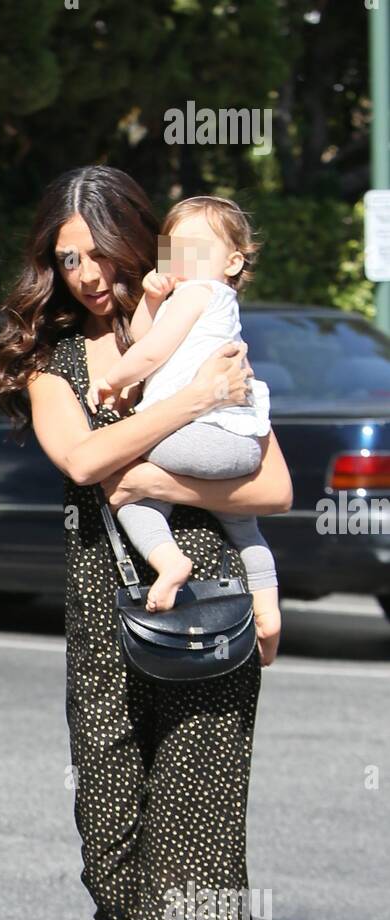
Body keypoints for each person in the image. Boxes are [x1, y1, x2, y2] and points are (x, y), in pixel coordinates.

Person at [0, 165, 338, 920]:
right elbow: (84, 464)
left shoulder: (193, 322)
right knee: (113, 855)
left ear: (137, 242)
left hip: (208, 607)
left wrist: (152, 456)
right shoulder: (52, 358)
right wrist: (181, 409)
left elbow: (266, 478)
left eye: (101, 253)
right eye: (68, 260)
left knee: (189, 843)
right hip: (103, 615)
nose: (89, 275)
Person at [86, 194, 278, 624]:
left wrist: (114, 379)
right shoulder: (202, 298)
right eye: (173, 248)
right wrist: (152, 301)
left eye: (196, 249)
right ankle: (268, 607)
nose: (181, 259)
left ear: (231, 263)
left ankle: (170, 561)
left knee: (126, 480)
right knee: (243, 528)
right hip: (233, 441)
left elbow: (149, 352)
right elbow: (143, 333)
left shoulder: (199, 292)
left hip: (202, 436)